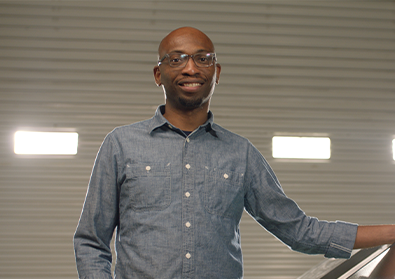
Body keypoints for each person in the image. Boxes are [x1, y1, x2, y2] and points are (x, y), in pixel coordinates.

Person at [73, 27, 395, 279]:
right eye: (176, 59)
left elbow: (299, 230)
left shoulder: (240, 154)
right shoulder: (121, 145)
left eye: (203, 58)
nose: (190, 68)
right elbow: (91, 240)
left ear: (217, 73)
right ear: (158, 74)